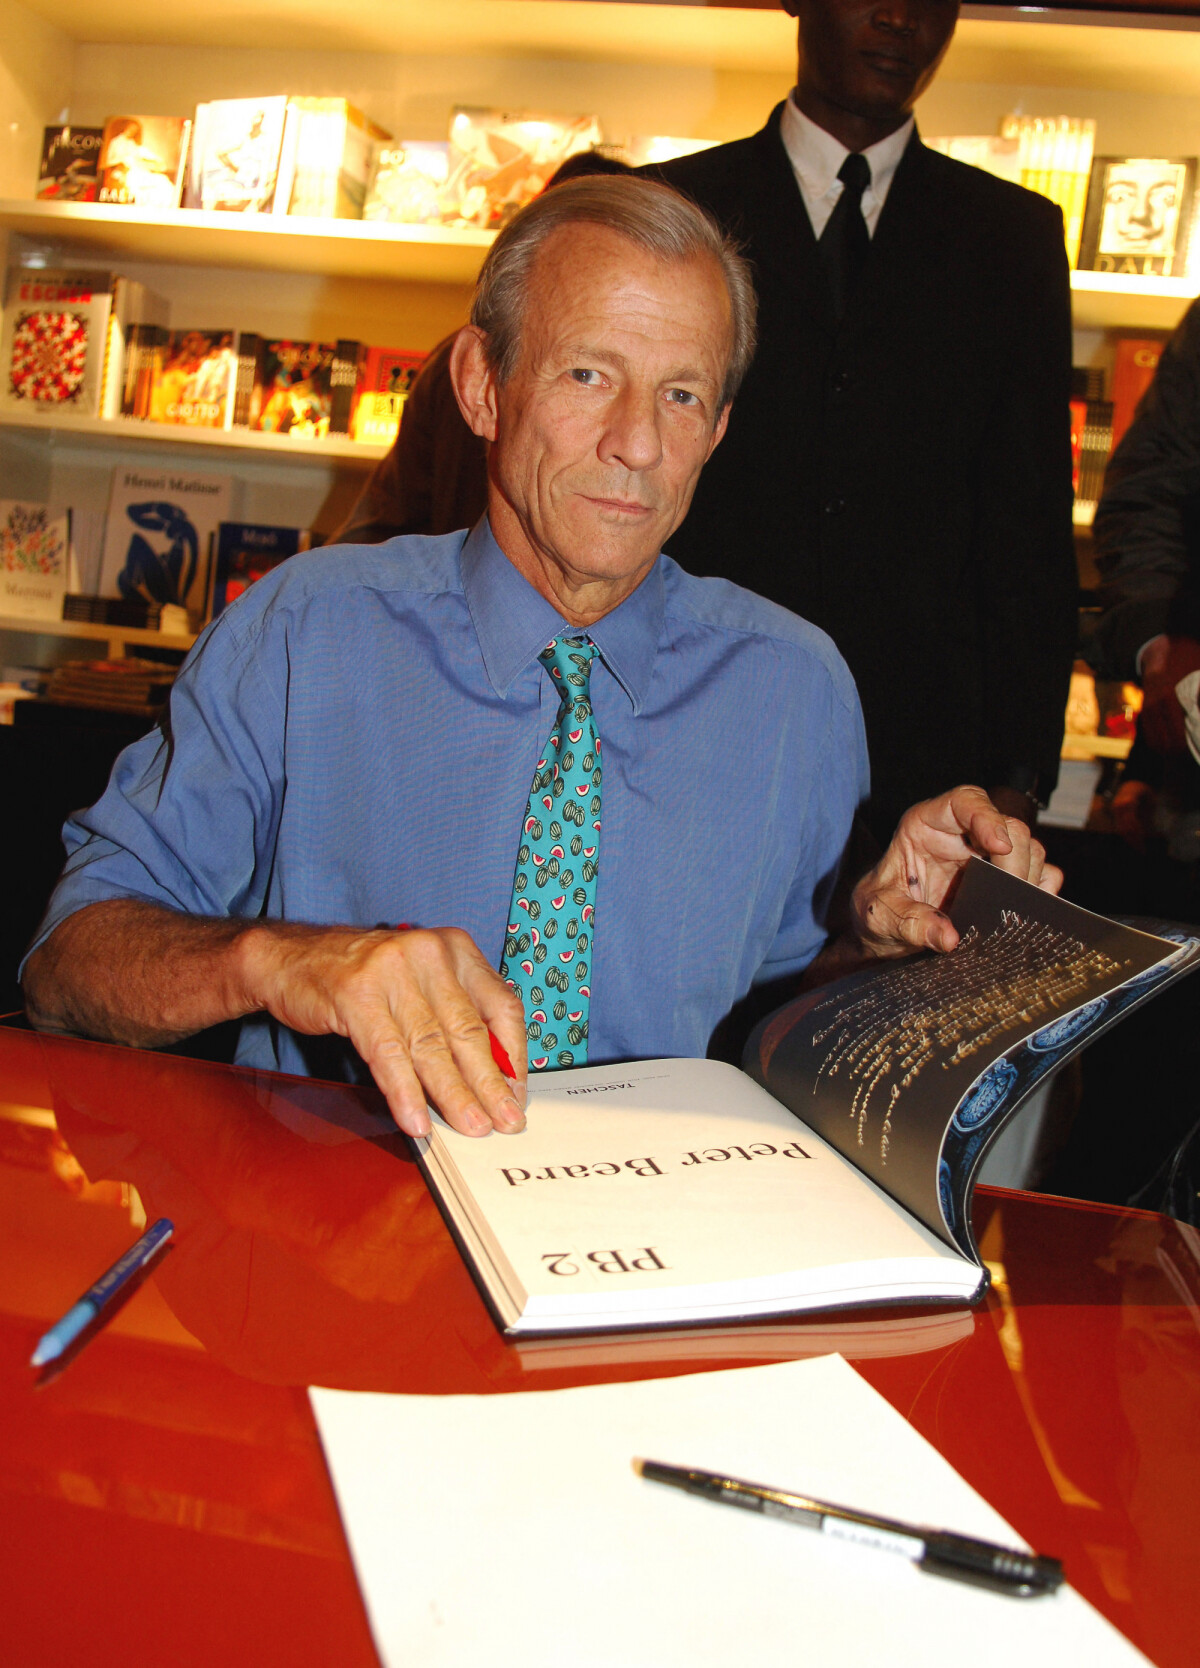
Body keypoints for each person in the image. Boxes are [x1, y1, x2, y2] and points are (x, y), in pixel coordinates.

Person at [22, 177, 1056, 1147]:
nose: (637, 444)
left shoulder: (795, 688)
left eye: (682, 395)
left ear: (718, 431)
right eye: (588, 374)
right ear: (482, 386)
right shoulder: (304, 633)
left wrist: (883, 938)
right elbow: (67, 964)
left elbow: (783, 1010)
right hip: (339, 1217)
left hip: (659, 1232)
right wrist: (282, 958)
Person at [644, 0, 1078, 847]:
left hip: (923, 773)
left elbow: (1029, 527)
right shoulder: (673, 205)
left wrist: (1019, 776)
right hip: (680, 728)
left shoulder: (1013, 238)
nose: (899, 16)